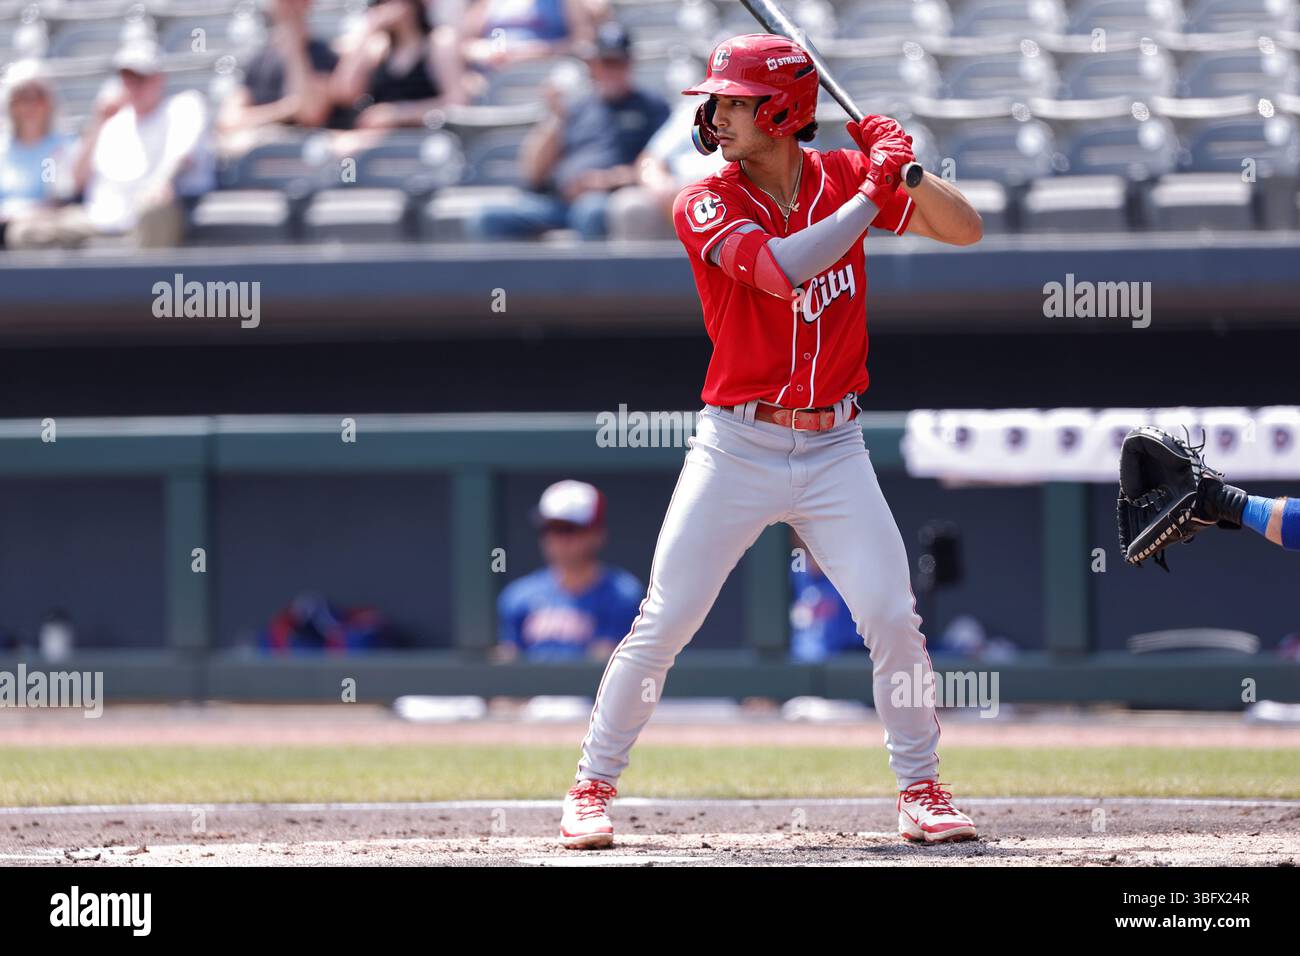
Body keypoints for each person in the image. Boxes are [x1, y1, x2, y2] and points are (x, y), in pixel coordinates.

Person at [559, 34, 984, 850]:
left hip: (836, 448)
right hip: (737, 447)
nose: (716, 114)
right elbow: (780, 271)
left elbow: (966, 230)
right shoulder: (704, 199)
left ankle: (923, 790)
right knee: (666, 618)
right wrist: (871, 196)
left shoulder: (840, 177)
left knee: (893, 617)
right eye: (715, 101)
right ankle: (591, 785)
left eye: (732, 100)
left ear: (781, 110)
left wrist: (908, 171)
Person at [468, 21, 668, 240]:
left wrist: (605, 180)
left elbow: (659, 164)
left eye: (618, 62)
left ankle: (590, 276)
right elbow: (533, 173)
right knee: (489, 219)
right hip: (560, 202)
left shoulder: (651, 107)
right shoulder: (576, 108)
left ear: (630, 64)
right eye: (604, 62)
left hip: (610, 200)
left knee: (591, 211)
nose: (610, 70)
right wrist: (555, 116)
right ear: (592, 66)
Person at [6, 41, 214, 249]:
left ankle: (146, 281)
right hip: (101, 217)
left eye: (141, 78)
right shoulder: (112, 123)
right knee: (24, 233)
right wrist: (98, 121)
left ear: (159, 78)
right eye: (127, 78)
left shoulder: (183, 107)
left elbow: (182, 154)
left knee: (152, 211)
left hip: (153, 214)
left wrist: (162, 182)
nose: (133, 85)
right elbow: (75, 182)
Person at [496, 480, 643, 662]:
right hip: (532, 691)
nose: (558, 539)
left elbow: (611, 666)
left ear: (597, 533)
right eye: (550, 528)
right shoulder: (518, 595)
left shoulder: (622, 594)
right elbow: (509, 664)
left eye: (569, 529)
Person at [216, 0, 344, 155]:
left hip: (304, 149)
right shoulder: (258, 60)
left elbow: (311, 113)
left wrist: (295, 51)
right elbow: (229, 121)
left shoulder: (323, 54)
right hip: (259, 144)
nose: (287, 6)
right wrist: (285, 109)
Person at [329, 0, 463, 133]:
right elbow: (344, 93)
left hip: (426, 139)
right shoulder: (377, 48)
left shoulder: (438, 41)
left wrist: (399, 113)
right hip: (380, 139)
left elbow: (457, 103)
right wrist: (368, 30)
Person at [607, 97, 724, 241]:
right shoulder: (696, 108)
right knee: (630, 206)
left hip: (723, 195)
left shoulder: (748, 111)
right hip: (674, 195)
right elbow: (650, 158)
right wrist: (660, 187)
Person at [0, 60, 74, 248]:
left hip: (35, 228)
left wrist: (23, 214)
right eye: (21, 98)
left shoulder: (58, 148)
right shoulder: (2, 149)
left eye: (37, 97)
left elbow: (52, 200)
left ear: (50, 103)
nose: (29, 106)